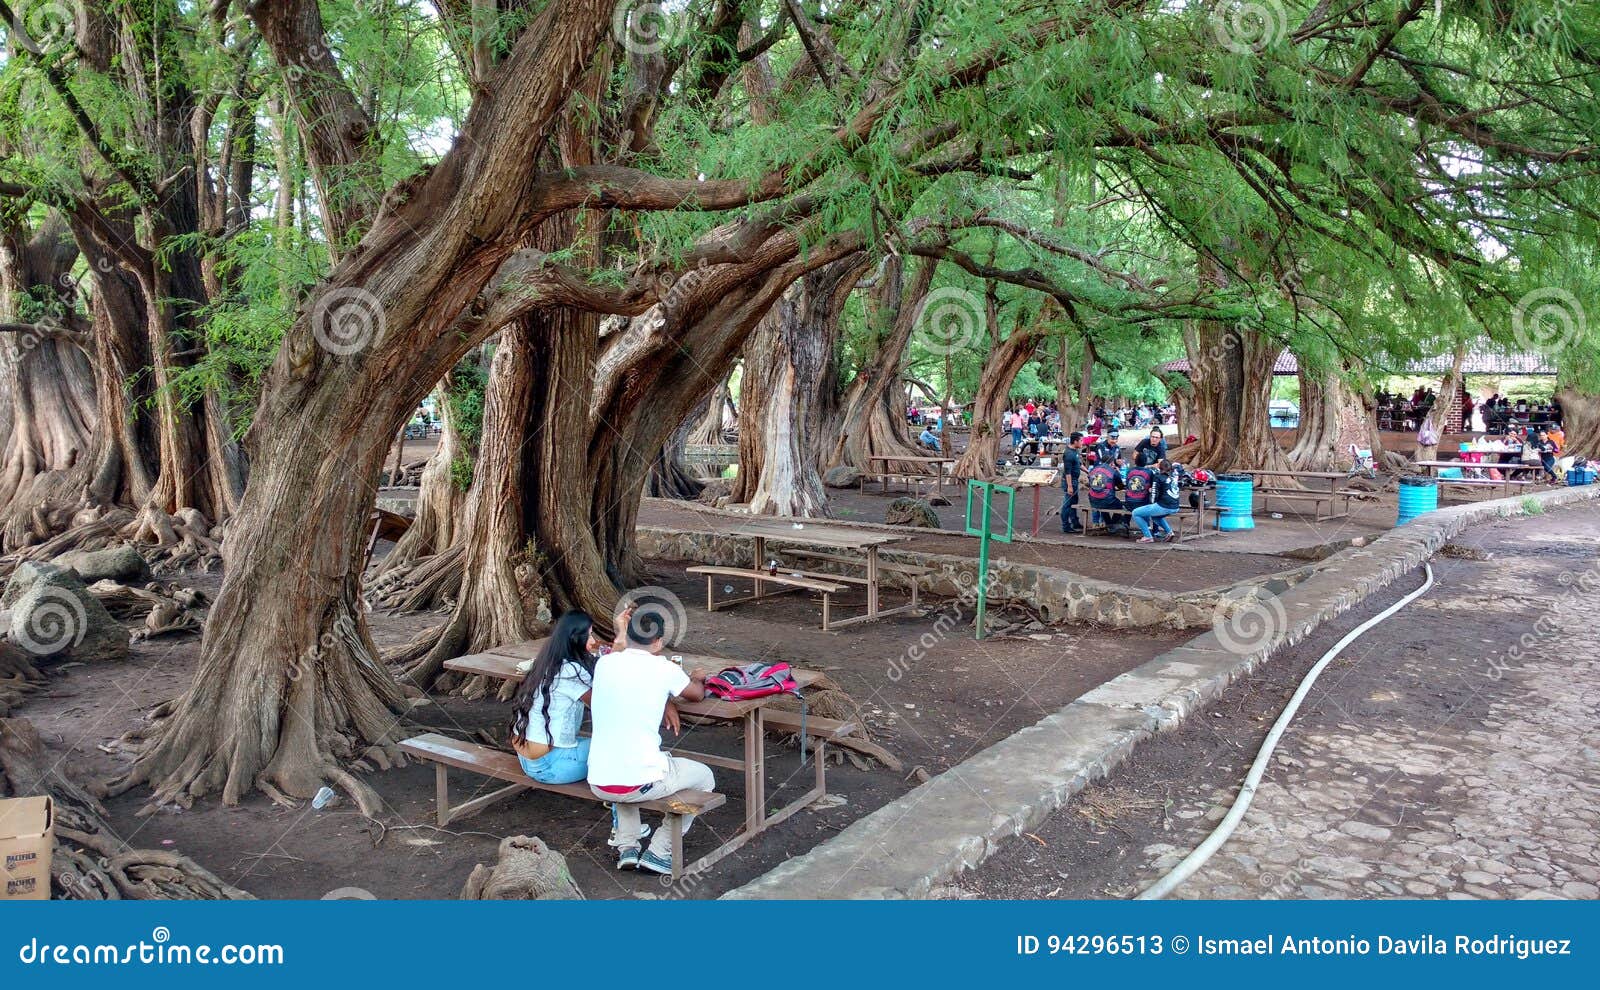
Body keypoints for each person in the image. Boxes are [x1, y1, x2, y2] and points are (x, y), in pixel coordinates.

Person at [588, 612, 714, 875]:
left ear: (628, 635)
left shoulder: (605, 663)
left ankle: (628, 847)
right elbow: (695, 695)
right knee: (705, 778)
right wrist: (699, 676)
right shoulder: (664, 668)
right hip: (638, 782)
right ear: (658, 642)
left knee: (626, 768)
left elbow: (624, 661)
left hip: (598, 780)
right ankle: (660, 851)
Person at [510, 611, 601, 785]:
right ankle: (622, 806)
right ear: (575, 639)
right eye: (589, 635)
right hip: (551, 767)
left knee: (596, 742)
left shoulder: (546, 661)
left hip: (527, 760)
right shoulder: (573, 671)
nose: (594, 641)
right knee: (619, 750)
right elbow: (602, 705)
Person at [1133, 459, 1183, 543]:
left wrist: (1151, 499)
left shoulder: (1158, 477)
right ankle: (1169, 532)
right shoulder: (1174, 477)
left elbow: (1153, 495)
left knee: (1136, 513)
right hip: (1175, 506)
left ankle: (1147, 536)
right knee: (1156, 516)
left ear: (1160, 468)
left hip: (1164, 506)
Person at [1085, 455, 1128, 535]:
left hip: (1093, 500)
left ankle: (1109, 524)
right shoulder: (1113, 471)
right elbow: (1121, 486)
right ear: (1112, 463)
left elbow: (1090, 483)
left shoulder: (1094, 469)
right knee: (1118, 505)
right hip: (1107, 500)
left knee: (1103, 504)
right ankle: (1111, 524)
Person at [1059, 432, 1084, 534]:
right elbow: (1067, 472)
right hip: (1070, 481)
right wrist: (1070, 486)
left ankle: (1075, 522)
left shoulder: (1075, 451)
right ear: (1075, 441)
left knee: (1074, 502)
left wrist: (1088, 472)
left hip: (1074, 481)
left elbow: (1079, 464)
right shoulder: (1069, 454)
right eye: (1081, 440)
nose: (1082, 442)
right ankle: (1066, 525)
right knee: (1067, 504)